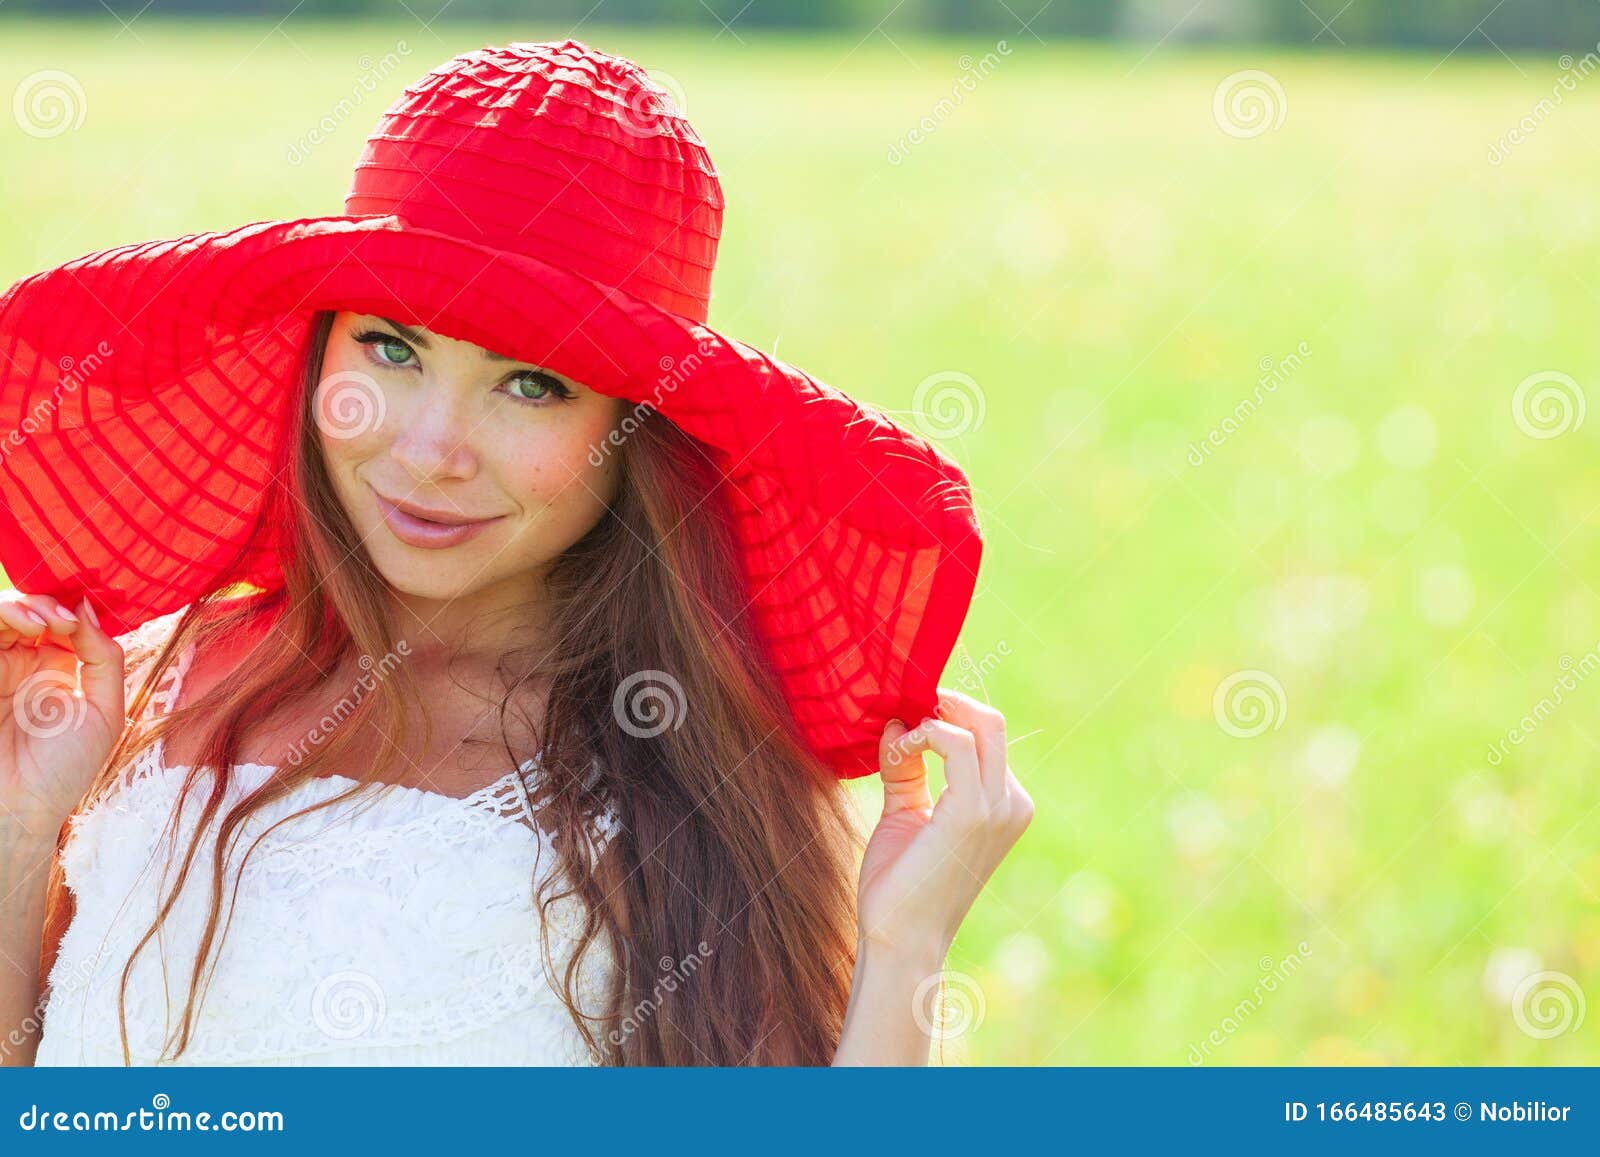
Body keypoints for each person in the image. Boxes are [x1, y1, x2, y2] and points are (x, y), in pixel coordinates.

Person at [0, 38, 1029, 1067]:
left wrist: (903, 947)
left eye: (531, 383)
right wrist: (20, 826)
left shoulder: (682, 787)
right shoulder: (149, 692)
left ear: (637, 434)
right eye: (390, 348)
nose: (428, 450)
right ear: (321, 349)